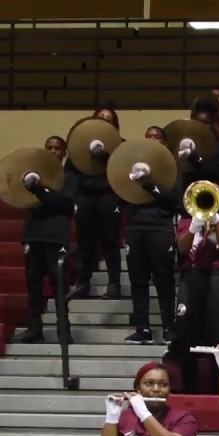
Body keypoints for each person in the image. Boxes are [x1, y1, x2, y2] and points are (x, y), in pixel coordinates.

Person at [172, 182, 219, 394]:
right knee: (185, 336)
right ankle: (189, 389)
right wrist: (195, 226)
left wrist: (216, 222)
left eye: (215, 194)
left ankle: (218, 390)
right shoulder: (186, 222)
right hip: (190, 277)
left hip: (217, 278)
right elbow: (182, 249)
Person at [120, 126, 182, 345]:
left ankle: (169, 328)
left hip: (160, 227)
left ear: (165, 143)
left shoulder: (171, 169)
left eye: (158, 137)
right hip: (135, 228)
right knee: (138, 280)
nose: (153, 139)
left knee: (164, 278)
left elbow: (175, 201)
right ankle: (142, 328)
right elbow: (121, 194)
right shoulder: (131, 169)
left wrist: (150, 187)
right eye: (149, 137)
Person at [14, 136, 75, 345]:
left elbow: (65, 205)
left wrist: (40, 190)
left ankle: (63, 330)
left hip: (56, 236)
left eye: (57, 148)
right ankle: (34, 328)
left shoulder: (68, 177)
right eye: (49, 147)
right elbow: (23, 200)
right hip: (33, 234)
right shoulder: (31, 177)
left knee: (58, 283)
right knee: (33, 283)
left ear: (64, 152)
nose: (52, 151)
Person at [66, 106, 123, 301]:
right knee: (85, 241)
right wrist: (74, 197)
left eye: (109, 119)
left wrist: (107, 156)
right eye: (101, 117)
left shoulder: (120, 145)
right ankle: (83, 282)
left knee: (110, 240)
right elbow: (70, 173)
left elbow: (123, 170)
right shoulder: (79, 143)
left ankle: (114, 283)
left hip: (108, 195)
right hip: (84, 196)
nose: (105, 120)